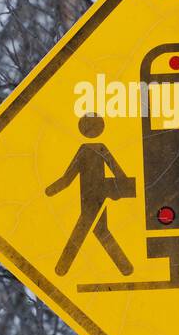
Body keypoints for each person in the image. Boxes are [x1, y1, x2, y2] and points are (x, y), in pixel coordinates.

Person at [46, 114, 135, 276]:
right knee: (99, 231)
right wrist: (51, 190)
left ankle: (62, 268)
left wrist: (52, 190)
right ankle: (126, 268)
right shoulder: (97, 149)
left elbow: (68, 178)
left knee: (84, 230)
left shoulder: (89, 149)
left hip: (94, 197)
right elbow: (119, 174)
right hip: (93, 197)